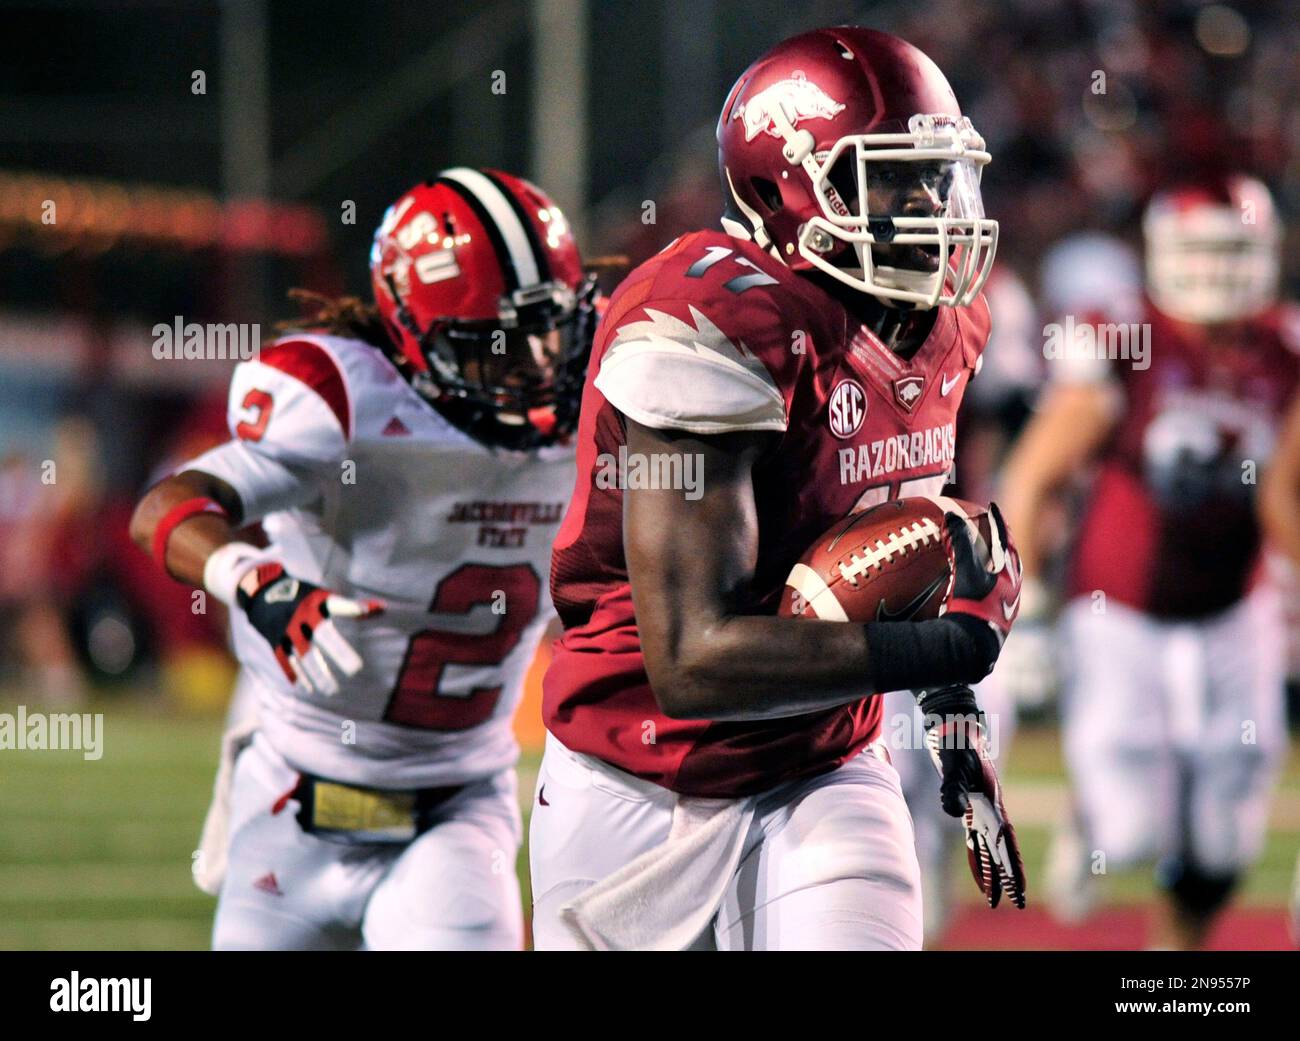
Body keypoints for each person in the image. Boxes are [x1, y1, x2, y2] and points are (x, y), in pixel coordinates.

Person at [530, 26, 1024, 952]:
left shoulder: (949, 323)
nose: (931, 206)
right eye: (891, 179)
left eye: (939, 174)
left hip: (823, 766)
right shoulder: (713, 317)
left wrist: (950, 703)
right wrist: (940, 649)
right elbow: (691, 661)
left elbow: (896, 534)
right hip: (628, 776)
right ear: (780, 186)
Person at [130, 168, 596, 949]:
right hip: (291, 793)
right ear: (416, 337)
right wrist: (256, 583)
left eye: (552, 329)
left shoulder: (600, 395)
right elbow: (167, 509)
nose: (538, 364)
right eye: (500, 342)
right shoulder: (346, 407)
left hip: (454, 808)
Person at [999, 173, 1296, 949]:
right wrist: (1021, 601)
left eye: (1233, 250)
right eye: (1202, 251)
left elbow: (1286, 492)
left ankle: (1176, 965)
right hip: (1119, 609)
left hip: (1237, 605)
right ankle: (1094, 815)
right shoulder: (1125, 335)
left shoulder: (1285, 348)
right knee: (1130, 832)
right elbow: (1035, 473)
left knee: (1225, 834)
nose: (1217, 270)